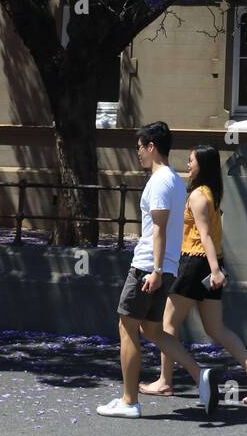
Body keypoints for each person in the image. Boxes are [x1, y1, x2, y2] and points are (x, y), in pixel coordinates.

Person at [96, 121, 223, 419]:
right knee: (151, 329)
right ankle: (199, 373)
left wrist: (153, 270)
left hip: (147, 267)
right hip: (164, 267)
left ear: (151, 147)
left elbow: (159, 229)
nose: (138, 153)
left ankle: (129, 401)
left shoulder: (160, 181)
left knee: (126, 327)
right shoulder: (176, 182)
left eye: (140, 147)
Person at [140, 144, 247, 406]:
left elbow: (205, 235)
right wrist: (216, 268)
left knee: (167, 325)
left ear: (203, 166)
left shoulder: (199, 195)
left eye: (191, 161)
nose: (187, 165)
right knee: (215, 328)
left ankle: (165, 381)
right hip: (209, 264)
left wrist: (214, 270)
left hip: (194, 264)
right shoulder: (210, 192)